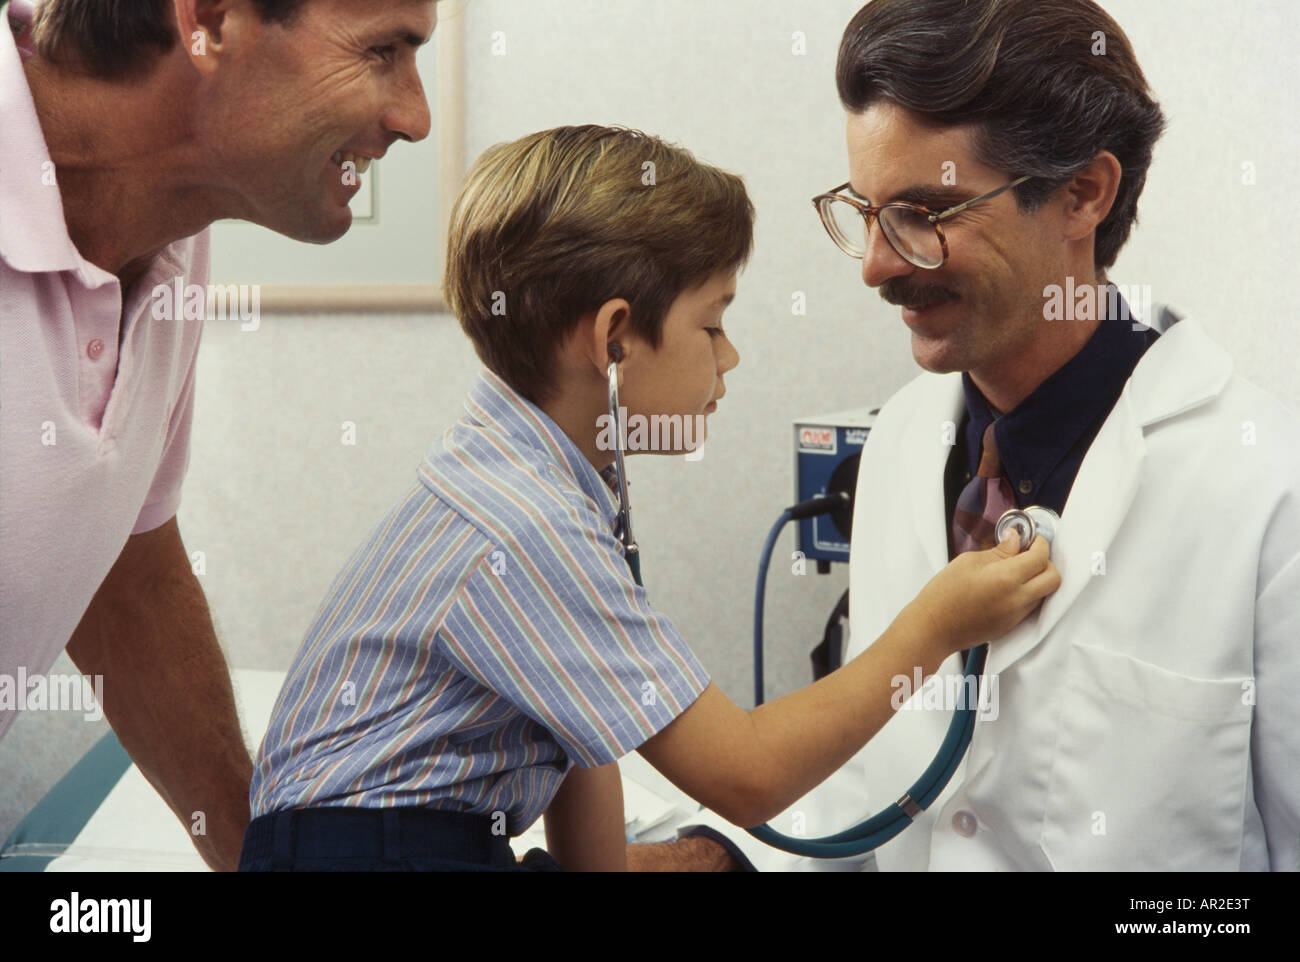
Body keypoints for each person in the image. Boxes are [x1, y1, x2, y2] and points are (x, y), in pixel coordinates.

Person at [240, 124, 1060, 872]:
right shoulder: (523, 519)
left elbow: (583, 722)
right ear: (614, 339)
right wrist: (937, 625)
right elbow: (746, 775)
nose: (730, 357)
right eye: (713, 326)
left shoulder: (547, 470)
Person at [645, 0, 1300, 872]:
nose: (878, 265)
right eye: (868, 213)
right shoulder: (902, 445)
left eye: (926, 211)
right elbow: (868, 795)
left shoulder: (1266, 487)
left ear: (1082, 193)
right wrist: (722, 859)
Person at [0, 0, 435, 870]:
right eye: (383, 50)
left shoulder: (170, 238)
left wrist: (257, 857)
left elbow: (127, 575)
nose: (414, 117)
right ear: (211, 20)